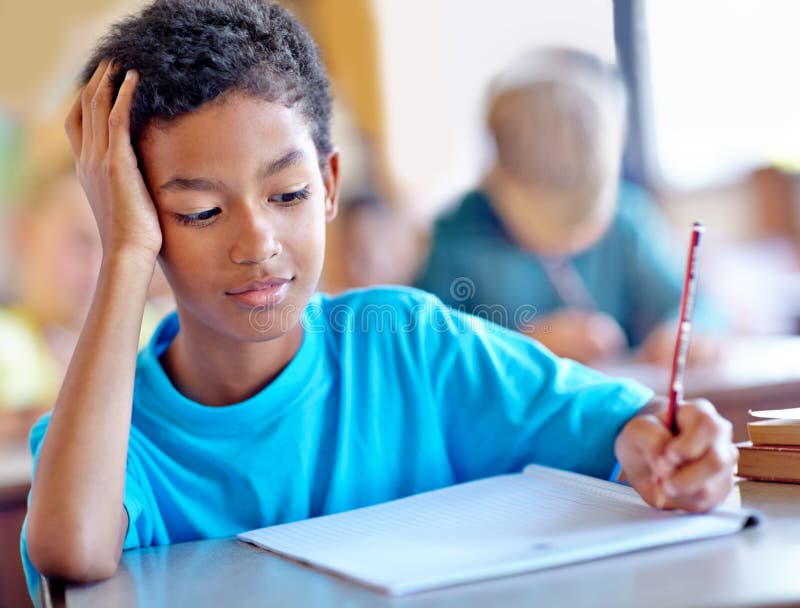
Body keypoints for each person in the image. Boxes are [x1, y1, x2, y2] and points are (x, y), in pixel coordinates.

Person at [21, 2, 736, 601]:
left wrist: (670, 446)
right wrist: (123, 252)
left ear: (329, 186)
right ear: (142, 216)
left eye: (288, 194)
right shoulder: (108, 436)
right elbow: (70, 551)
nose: (258, 242)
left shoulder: (409, 344)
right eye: (200, 212)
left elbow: (621, 424)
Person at [416, 48, 722, 366]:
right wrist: (523, 345)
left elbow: (699, 307)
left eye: (585, 226)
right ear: (496, 181)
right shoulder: (458, 241)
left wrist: (685, 334)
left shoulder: (626, 220)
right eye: (547, 226)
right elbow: (426, 350)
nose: (570, 241)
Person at [0, 163, 102, 439]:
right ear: (24, 233)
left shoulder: (148, 332)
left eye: (111, 245)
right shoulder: (7, 338)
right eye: (81, 242)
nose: (97, 268)